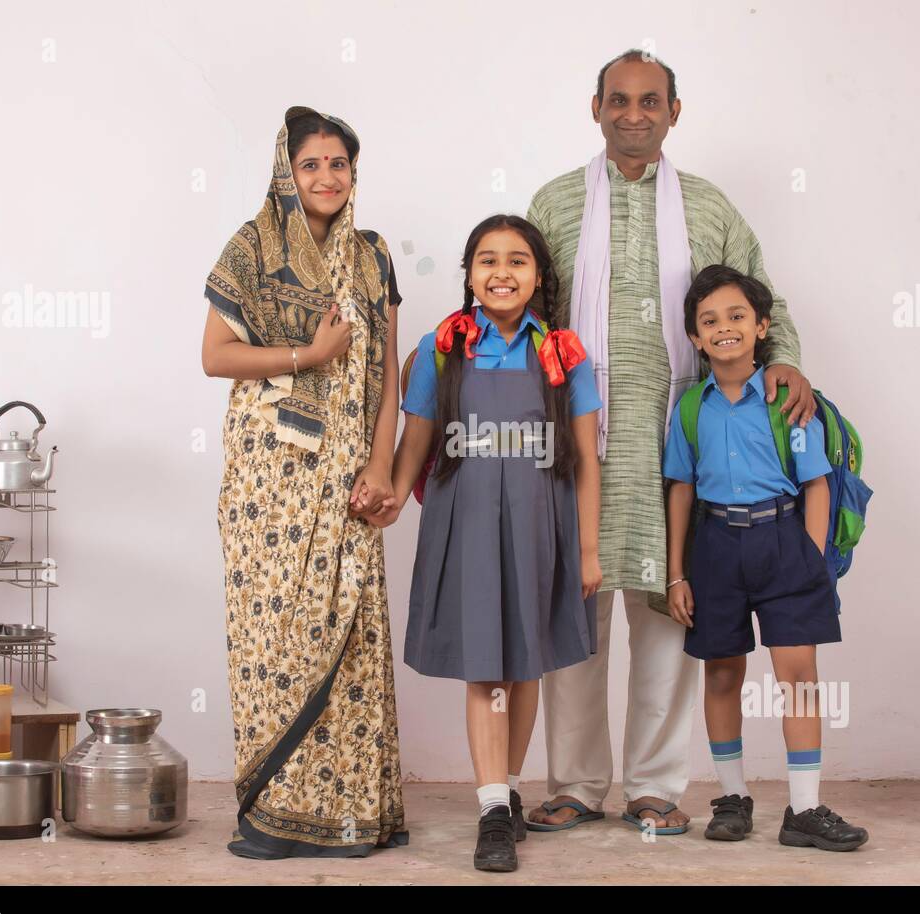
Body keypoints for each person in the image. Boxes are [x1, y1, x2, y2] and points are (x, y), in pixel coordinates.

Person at [525, 50, 817, 833]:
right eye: (618, 100)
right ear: (595, 108)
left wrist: (783, 356)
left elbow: (761, 296)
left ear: (674, 112)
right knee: (573, 617)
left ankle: (654, 785)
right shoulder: (555, 203)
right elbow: (519, 305)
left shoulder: (710, 208)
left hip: (677, 445)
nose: (634, 113)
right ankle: (576, 785)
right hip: (574, 445)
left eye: (650, 101)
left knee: (667, 612)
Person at [201, 106, 408, 858]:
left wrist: (382, 464)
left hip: (348, 470)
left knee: (346, 637)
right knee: (272, 635)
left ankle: (345, 816)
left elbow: (387, 374)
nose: (325, 177)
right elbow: (216, 356)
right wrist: (306, 355)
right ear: (287, 173)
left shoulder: (372, 256)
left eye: (338, 164)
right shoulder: (252, 245)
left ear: (354, 173)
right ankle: (271, 814)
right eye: (309, 165)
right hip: (267, 479)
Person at [381, 214, 603, 871]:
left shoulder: (564, 353)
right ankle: (492, 814)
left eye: (516, 261)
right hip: (468, 520)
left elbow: (587, 459)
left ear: (538, 276)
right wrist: (386, 500)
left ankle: (503, 787)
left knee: (524, 664)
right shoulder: (443, 348)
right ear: (469, 274)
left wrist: (588, 550)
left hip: (541, 523)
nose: (501, 273)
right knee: (486, 664)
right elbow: (415, 441)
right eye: (486, 260)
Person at [663, 264, 867, 852]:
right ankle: (731, 797)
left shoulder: (785, 400)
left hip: (785, 541)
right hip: (715, 547)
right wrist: (678, 571)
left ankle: (804, 809)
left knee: (798, 677)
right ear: (696, 339)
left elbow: (819, 482)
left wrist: (810, 555)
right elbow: (679, 487)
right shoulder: (691, 410)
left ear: (761, 327)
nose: (724, 328)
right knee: (722, 672)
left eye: (736, 317)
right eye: (709, 321)